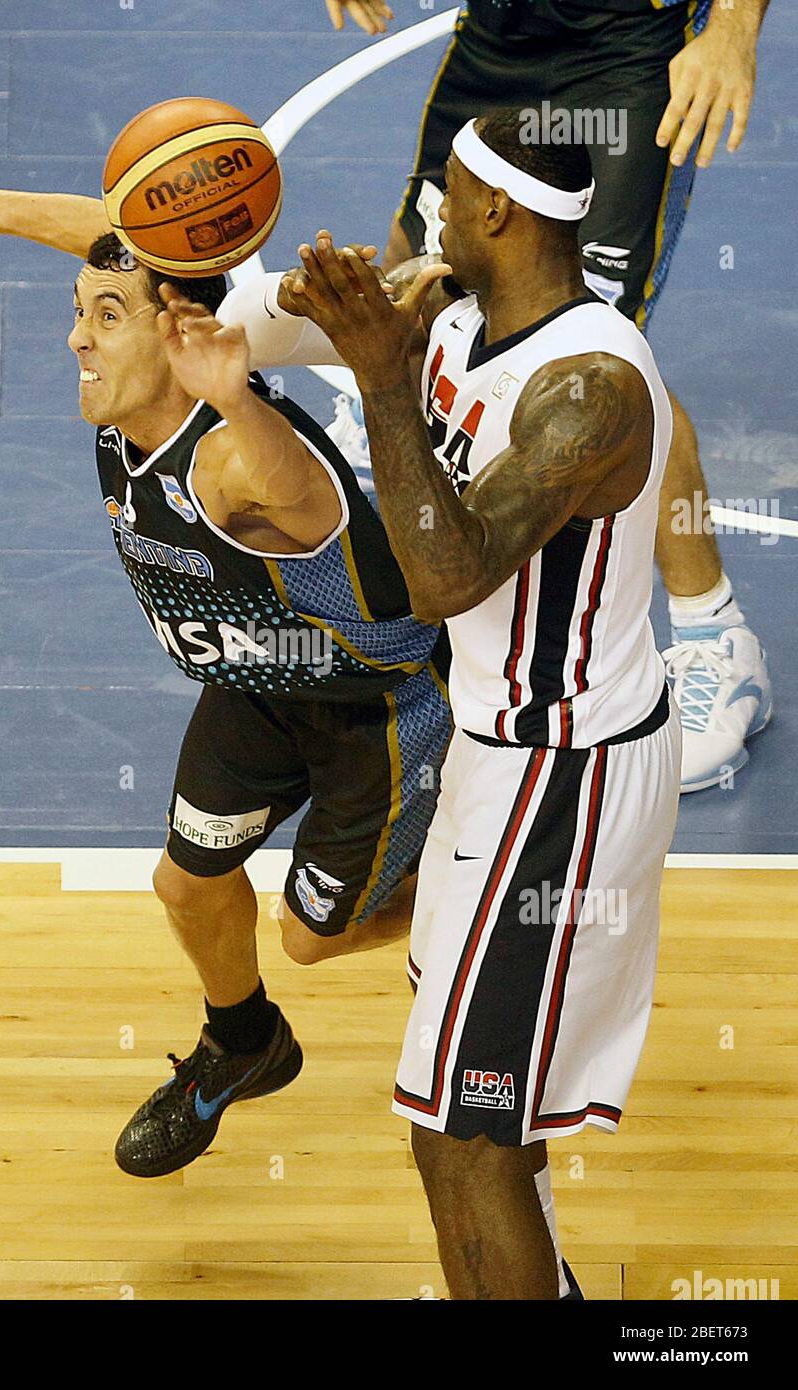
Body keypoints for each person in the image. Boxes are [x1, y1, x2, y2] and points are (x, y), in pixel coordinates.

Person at [0, 151, 452, 1180]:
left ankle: (487, 899)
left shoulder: (233, 456)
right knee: (186, 886)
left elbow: (296, 490)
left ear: (178, 333)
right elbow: (116, 246)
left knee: (312, 937)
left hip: (371, 705)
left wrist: (237, 402)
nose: (76, 337)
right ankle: (245, 1044)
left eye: (104, 318)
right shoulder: (131, 391)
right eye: (80, 312)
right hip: (258, 687)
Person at [275, 109, 682, 1298]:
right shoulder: (461, 318)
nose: (431, 208)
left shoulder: (588, 387)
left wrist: (379, 376)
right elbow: (251, 314)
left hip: (565, 772)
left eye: (445, 192)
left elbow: (445, 576)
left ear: (497, 210)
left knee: (460, 1132)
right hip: (491, 753)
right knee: (484, 1104)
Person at [324, 0, 773, 793]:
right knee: (429, 258)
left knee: (595, 352)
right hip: (500, 30)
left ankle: (715, 637)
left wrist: (734, 26)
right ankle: (425, 422)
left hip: (625, 45)